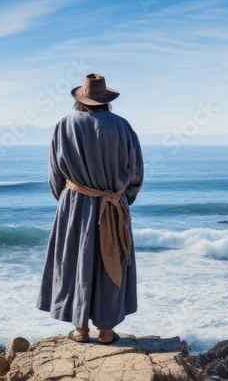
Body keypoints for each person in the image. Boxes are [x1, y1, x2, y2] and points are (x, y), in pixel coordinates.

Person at [37, 73, 144, 344]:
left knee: (75, 262)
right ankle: (106, 332)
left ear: (80, 100)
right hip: (113, 204)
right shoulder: (123, 126)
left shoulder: (64, 125)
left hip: (75, 204)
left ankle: (80, 331)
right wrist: (120, 198)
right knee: (112, 262)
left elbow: (55, 174)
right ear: (107, 101)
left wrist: (69, 202)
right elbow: (136, 173)